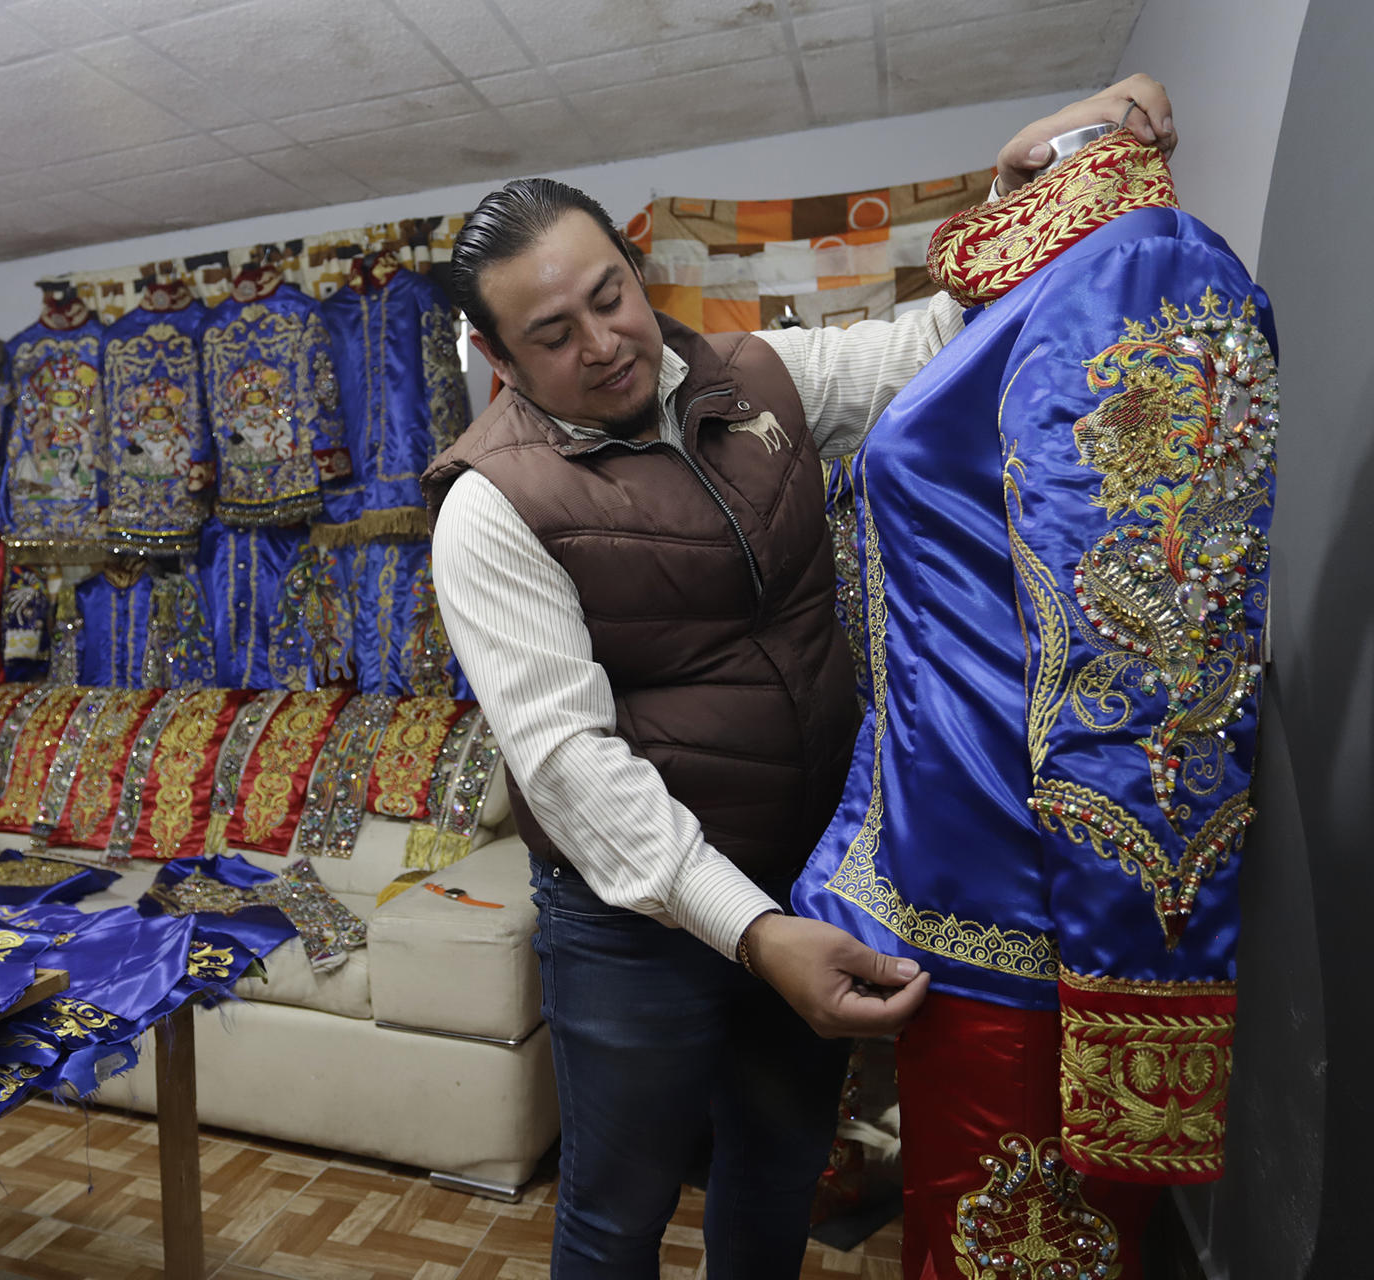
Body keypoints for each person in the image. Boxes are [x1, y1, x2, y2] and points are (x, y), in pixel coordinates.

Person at [421, 76, 1177, 1279]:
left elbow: (935, 344)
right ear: (497, 356)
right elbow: (569, 768)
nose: (602, 342)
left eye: (607, 296)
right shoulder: (489, 511)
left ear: (630, 264)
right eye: (551, 335)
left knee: (773, 1183)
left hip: (809, 867)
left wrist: (1033, 172)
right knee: (616, 1215)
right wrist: (754, 931)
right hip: (635, 925)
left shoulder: (754, 377)